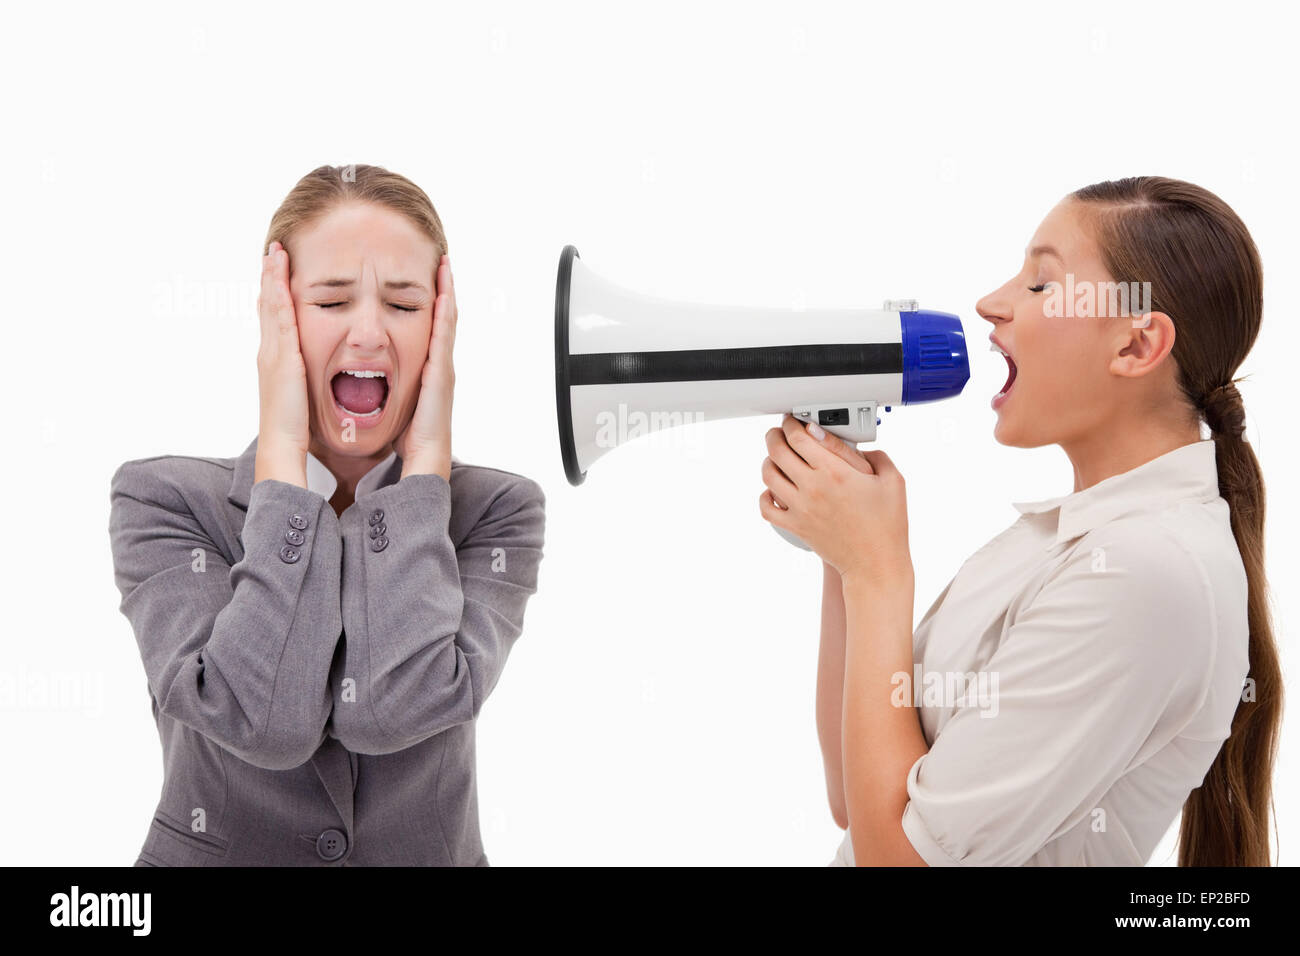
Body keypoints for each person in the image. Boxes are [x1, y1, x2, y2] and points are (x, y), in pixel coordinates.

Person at [759, 176, 1281, 866]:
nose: (990, 303)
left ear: (1135, 346)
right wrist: (842, 548)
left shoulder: (1144, 572)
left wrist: (876, 571)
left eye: (1041, 285)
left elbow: (900, 860)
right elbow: (857, 806)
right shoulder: (1071, 543)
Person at [108, 163, 546, 865]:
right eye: (332, 302)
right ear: (276, 318)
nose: (370, 333)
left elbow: (393, 708)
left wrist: (427, 459)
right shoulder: (162, 502)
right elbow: (261, 722)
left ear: (441, 329)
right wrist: (284, 457)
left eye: (404, 306)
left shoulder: (496, 513)